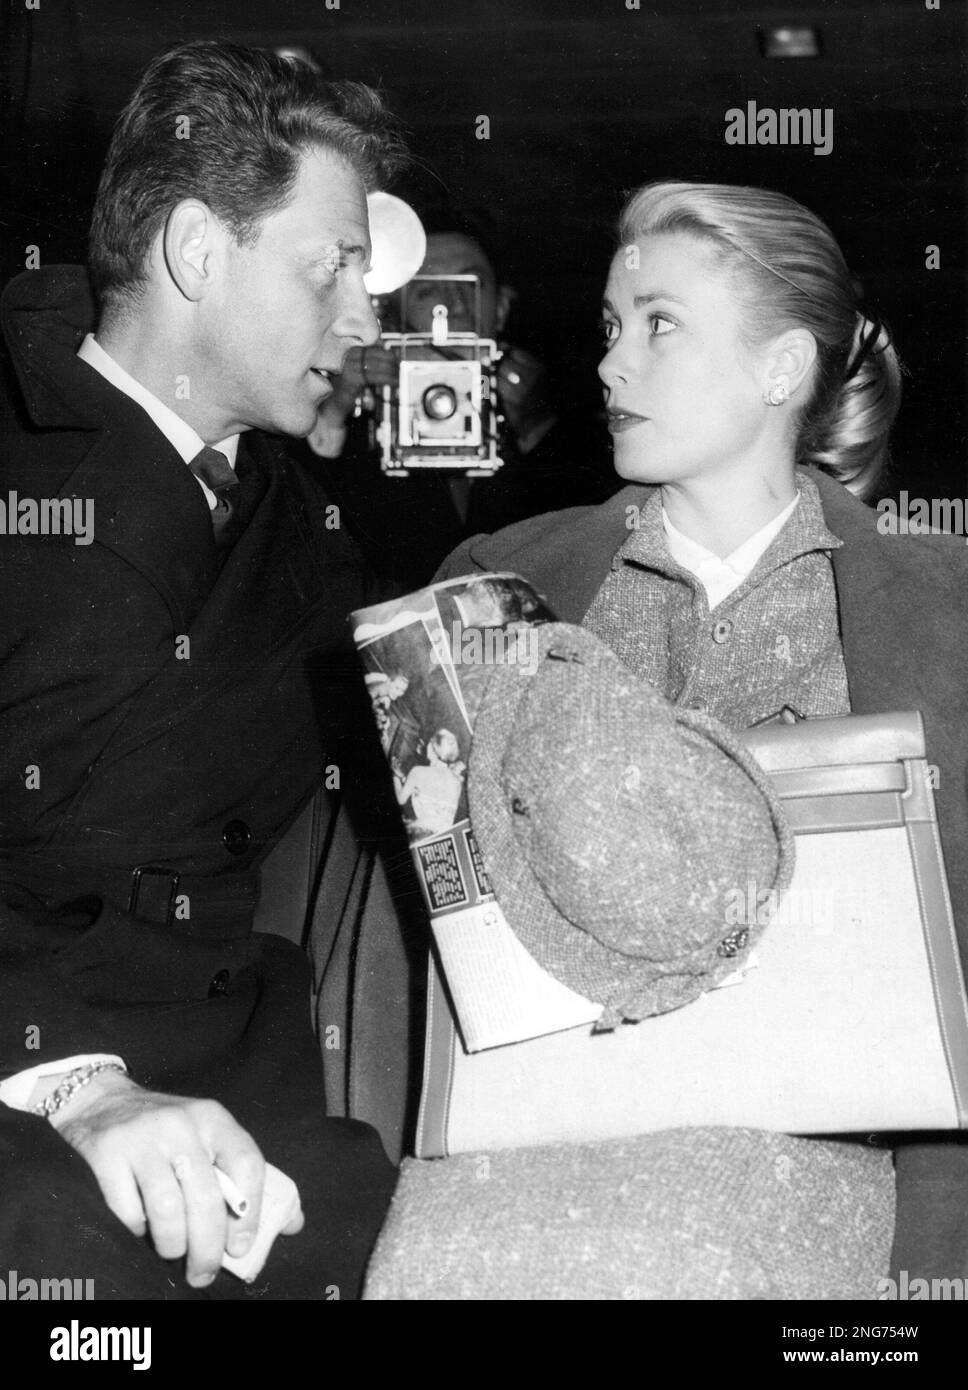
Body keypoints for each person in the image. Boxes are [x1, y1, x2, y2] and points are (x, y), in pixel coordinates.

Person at [426, 180, 968, 1295]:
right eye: (611, 329)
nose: (611, 365)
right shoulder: (491, 588)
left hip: (831, 1215)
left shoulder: (946, 614)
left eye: (659, 325)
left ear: (782, 369)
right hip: (520, 1199)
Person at [0, 40, 409, 1300]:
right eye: (330, 266)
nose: (364, 316)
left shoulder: (301, 526)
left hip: (244, 1091)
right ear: (194, 250)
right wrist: (75, 1079)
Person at [304, 209, 615, 588]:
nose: (451, 304)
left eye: (470, 283)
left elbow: (584, 544)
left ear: (499, 307)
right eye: (427, 290)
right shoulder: (360, 409)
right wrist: (334, 412)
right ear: (389, 315)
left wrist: (538, 430)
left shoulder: (538, 407)